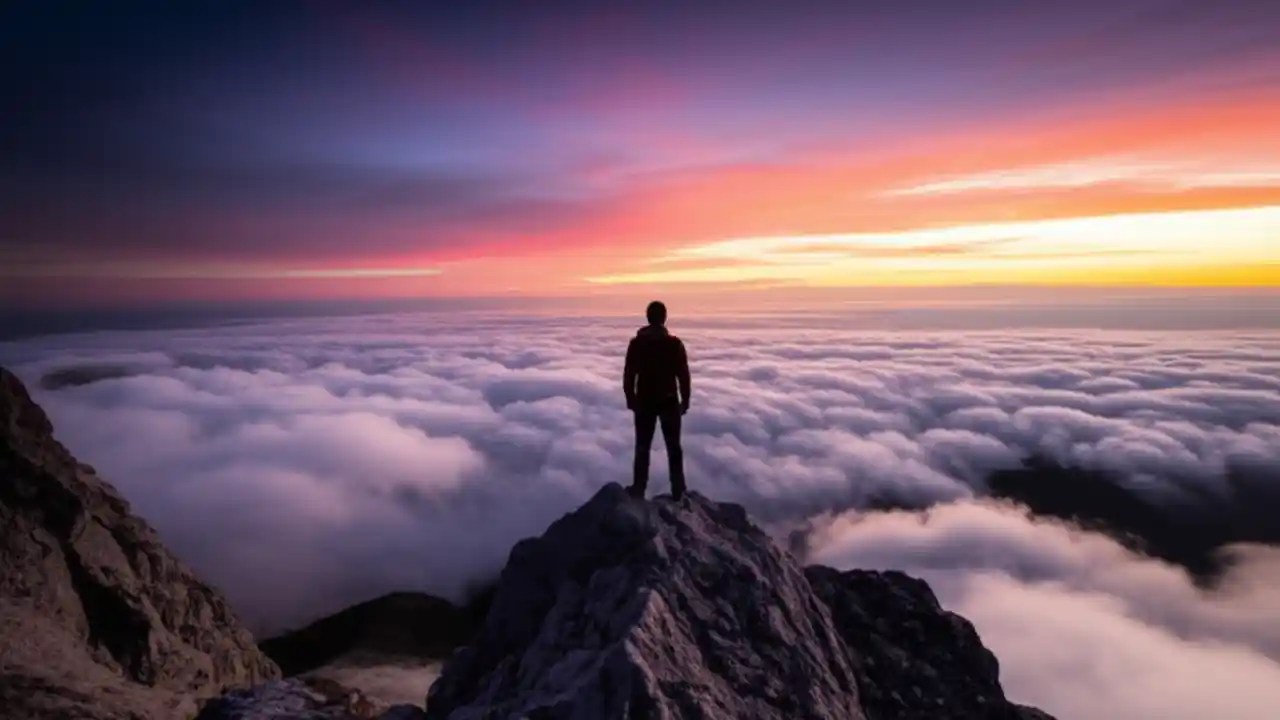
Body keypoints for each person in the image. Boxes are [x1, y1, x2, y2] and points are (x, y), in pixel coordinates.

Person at [623, 300, 690, 500]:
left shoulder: (637, 344)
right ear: (664, 318)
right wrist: (685, 400)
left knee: (642, 447)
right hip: (669, 401)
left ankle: (639, 488)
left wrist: (631, 399)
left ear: (648, 317)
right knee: (674, 448)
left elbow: (629, 375)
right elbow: (683, 375)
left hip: (644, 402)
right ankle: (678, 490)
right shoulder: (674, 344)